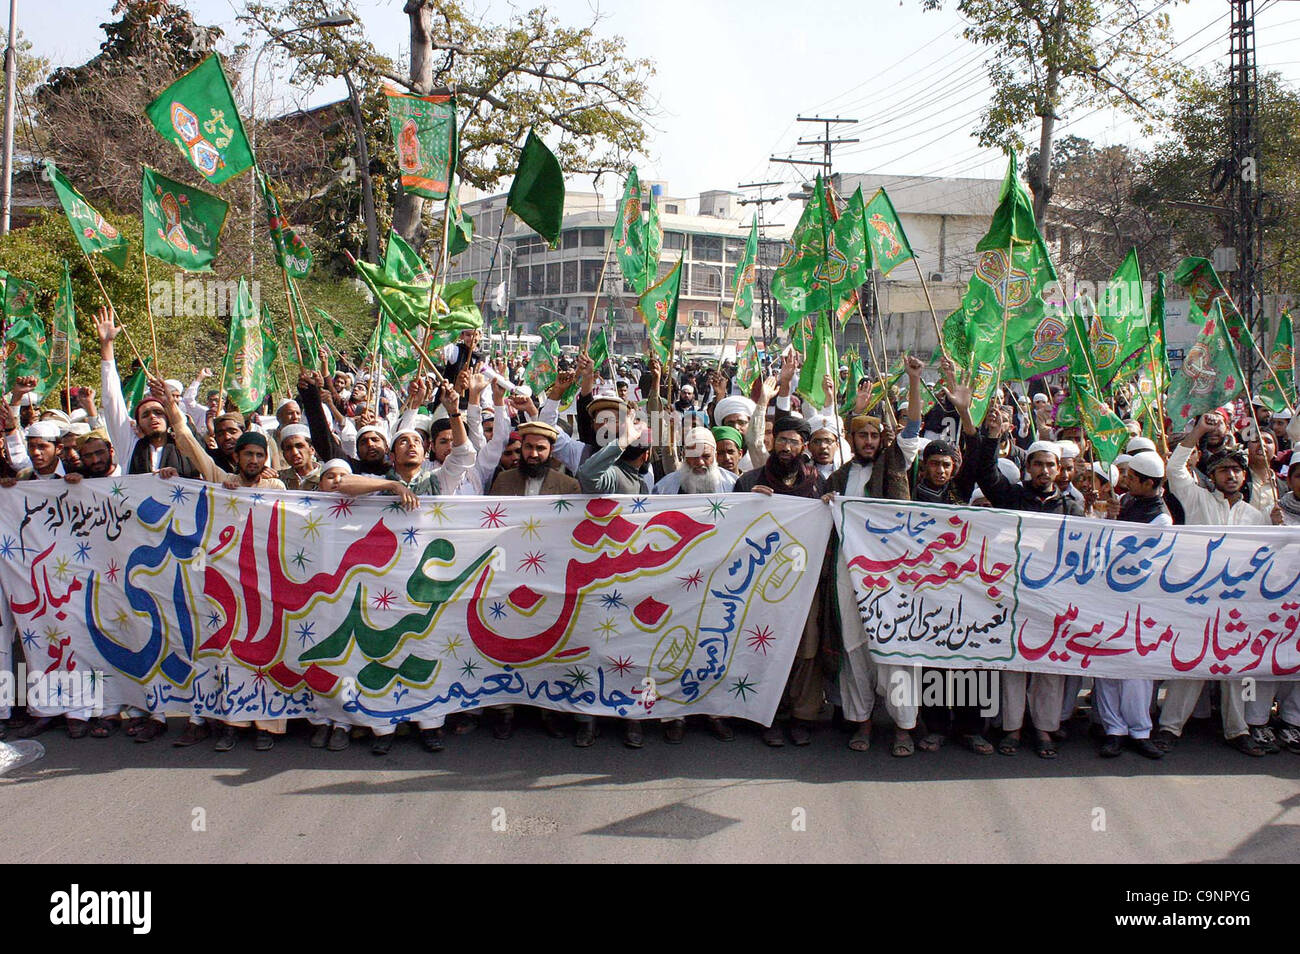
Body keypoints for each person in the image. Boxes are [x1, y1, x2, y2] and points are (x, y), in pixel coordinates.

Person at [966, 381, 1084, 759]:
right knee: (1014, 663)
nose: (1046, 470)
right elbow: (984, 471)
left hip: (1054, 595)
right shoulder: (1013, 495)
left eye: (1051, 465)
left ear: (1058, 469)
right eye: (1038, 464)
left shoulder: (1072, 506)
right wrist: (991, 434)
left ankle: (1045, 729)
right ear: (1028, 467)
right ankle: (1013, 728)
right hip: (1015, 591)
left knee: (1050, 664)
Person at [826, 355, 928, 755]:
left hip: (891, 576)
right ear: (852, 441)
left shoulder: (895, 462)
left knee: (896, 646)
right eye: (861, 437)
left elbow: (914, 427)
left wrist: (914, 380)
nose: (868, 443)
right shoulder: (840, 475)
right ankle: (862, 723)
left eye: (873, 436)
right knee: (855, 647)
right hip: (848, 576)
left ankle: (904, 727)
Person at [1156, 412, 1270, 756]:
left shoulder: (1256, 516)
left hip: (1238, 603)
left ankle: (1238, 730)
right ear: (1212, 476)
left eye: (1237, 470)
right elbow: (1175, 470)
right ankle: (1169, 727)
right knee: (1189, 663)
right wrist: (1198, 432)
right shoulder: (1197, 501)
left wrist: (1280, 526)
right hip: (1198, 599)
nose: (1231, 475)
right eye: (1224, 470)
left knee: (1237, 668)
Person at [737, 414, 828, 746]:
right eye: (782, 440)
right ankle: (767, 714)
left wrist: (831, 507)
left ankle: (802, 715)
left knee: (806, 649)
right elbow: (732, 529)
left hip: (805, 580)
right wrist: (748, 505)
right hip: (761, 582)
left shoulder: (819, 483)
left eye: (794, 442)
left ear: (804, 447)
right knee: (765, 645)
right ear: (773, 443)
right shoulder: (749, 482)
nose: (786, 447)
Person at [1094, 451, 1168, 759]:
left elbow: (1137, 553)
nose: (1126, 482)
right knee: (1107, 663)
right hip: (1112, 597)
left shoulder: (1161, 518)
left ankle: (1139, 730)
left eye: (1132, 479)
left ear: (1148, 483)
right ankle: (1114, 729)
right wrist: (1113, 517)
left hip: (1140, 601)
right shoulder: (1128, 503)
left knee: (1137, 670)